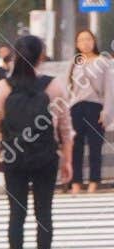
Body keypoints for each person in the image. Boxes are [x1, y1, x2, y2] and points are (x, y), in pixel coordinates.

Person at [0, 35, 72, 249]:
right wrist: (66, 159)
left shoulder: (5, 86)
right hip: (46, 158)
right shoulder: (53, 86)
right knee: (44, 214)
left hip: (13, 159)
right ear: (40, 57)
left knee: (17, 215)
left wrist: (10, 132)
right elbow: (65, 128)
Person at [67, 29, 111, 193]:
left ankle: (94, 181)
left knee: (95, 146)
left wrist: (106, 111)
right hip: (76, 108)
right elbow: (68, 88)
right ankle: (76, 181)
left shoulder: (103, 61)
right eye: (81, 40)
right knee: (75, 147)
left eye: (88, 39)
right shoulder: (74, 63)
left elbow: (109, 88)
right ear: (77, 44)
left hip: (95, 107)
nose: (85, 42)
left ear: (94, 41)